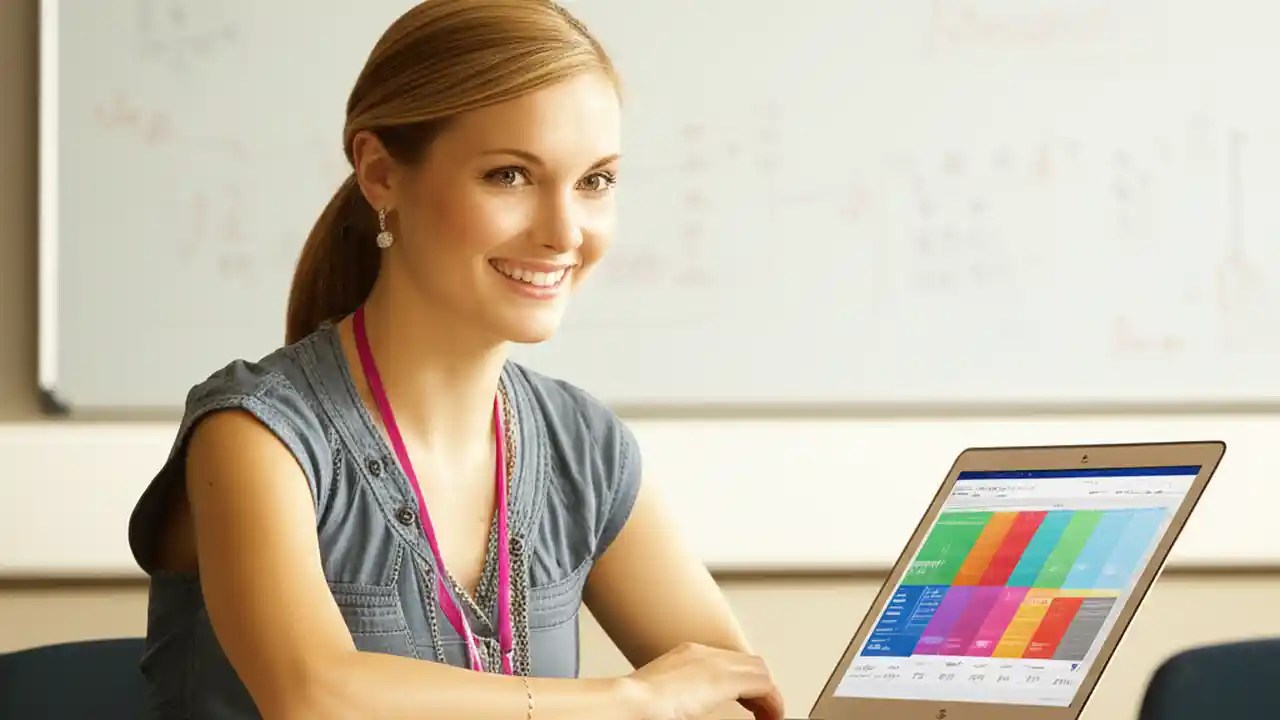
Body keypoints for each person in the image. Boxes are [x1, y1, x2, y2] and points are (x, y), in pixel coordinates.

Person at [125, 1, 785, 718]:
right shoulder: (254, 437)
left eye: (595, 181)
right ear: (381, 174)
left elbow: (740, 691)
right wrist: (629, 700)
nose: (566, 232)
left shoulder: (583, 446)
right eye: (510, 176)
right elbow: (314, 696)